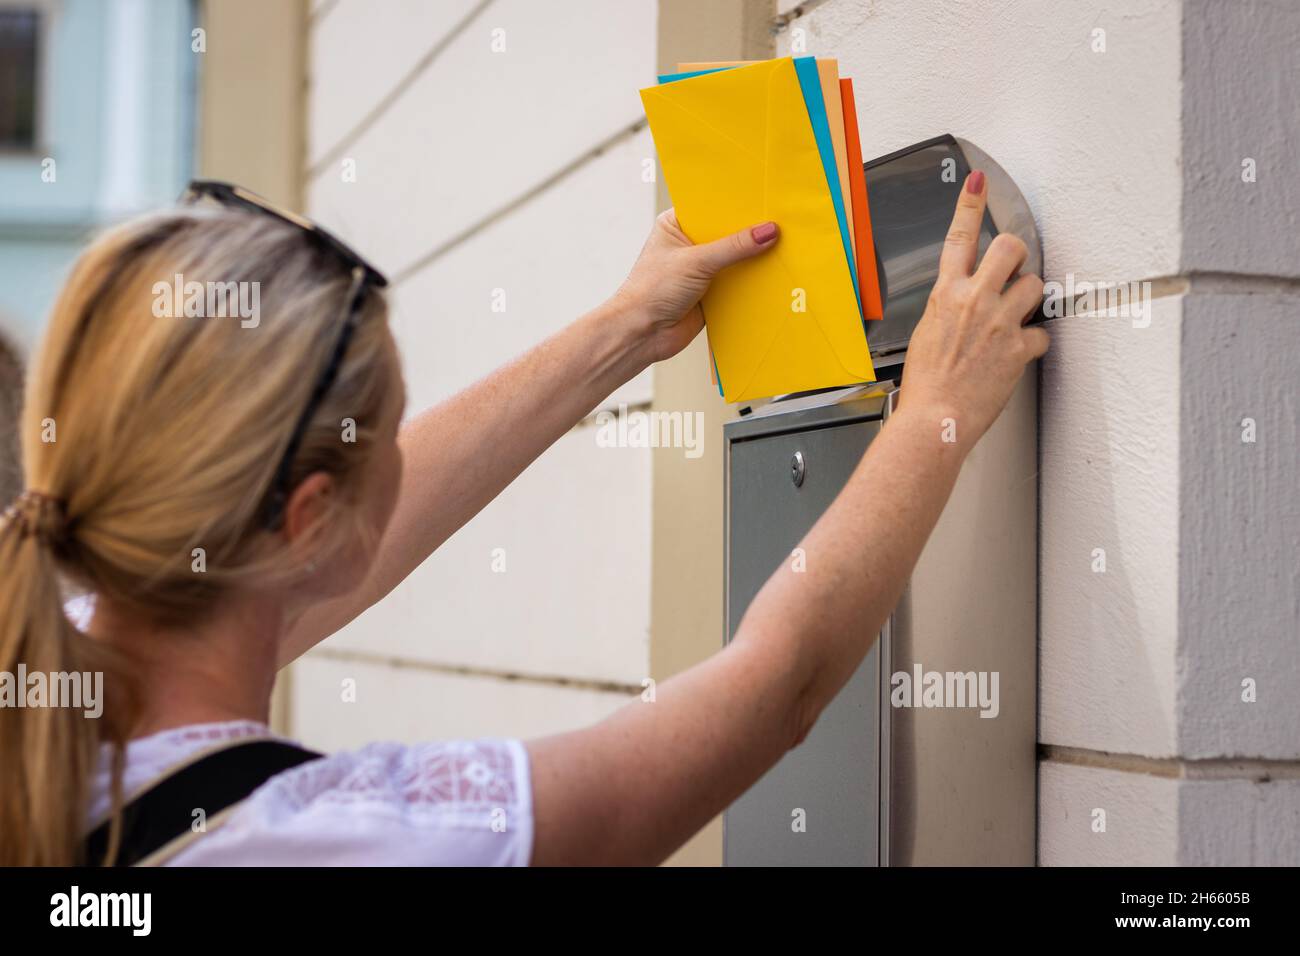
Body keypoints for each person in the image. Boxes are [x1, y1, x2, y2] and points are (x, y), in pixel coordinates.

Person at [0, 170, 1046, 866]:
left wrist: (624, 327)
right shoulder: (312, 840)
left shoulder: (52, 660)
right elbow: (773, 690)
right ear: (308, 519)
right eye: (383, 448)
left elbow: (304, 538)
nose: (394, 477)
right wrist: (938, 414)